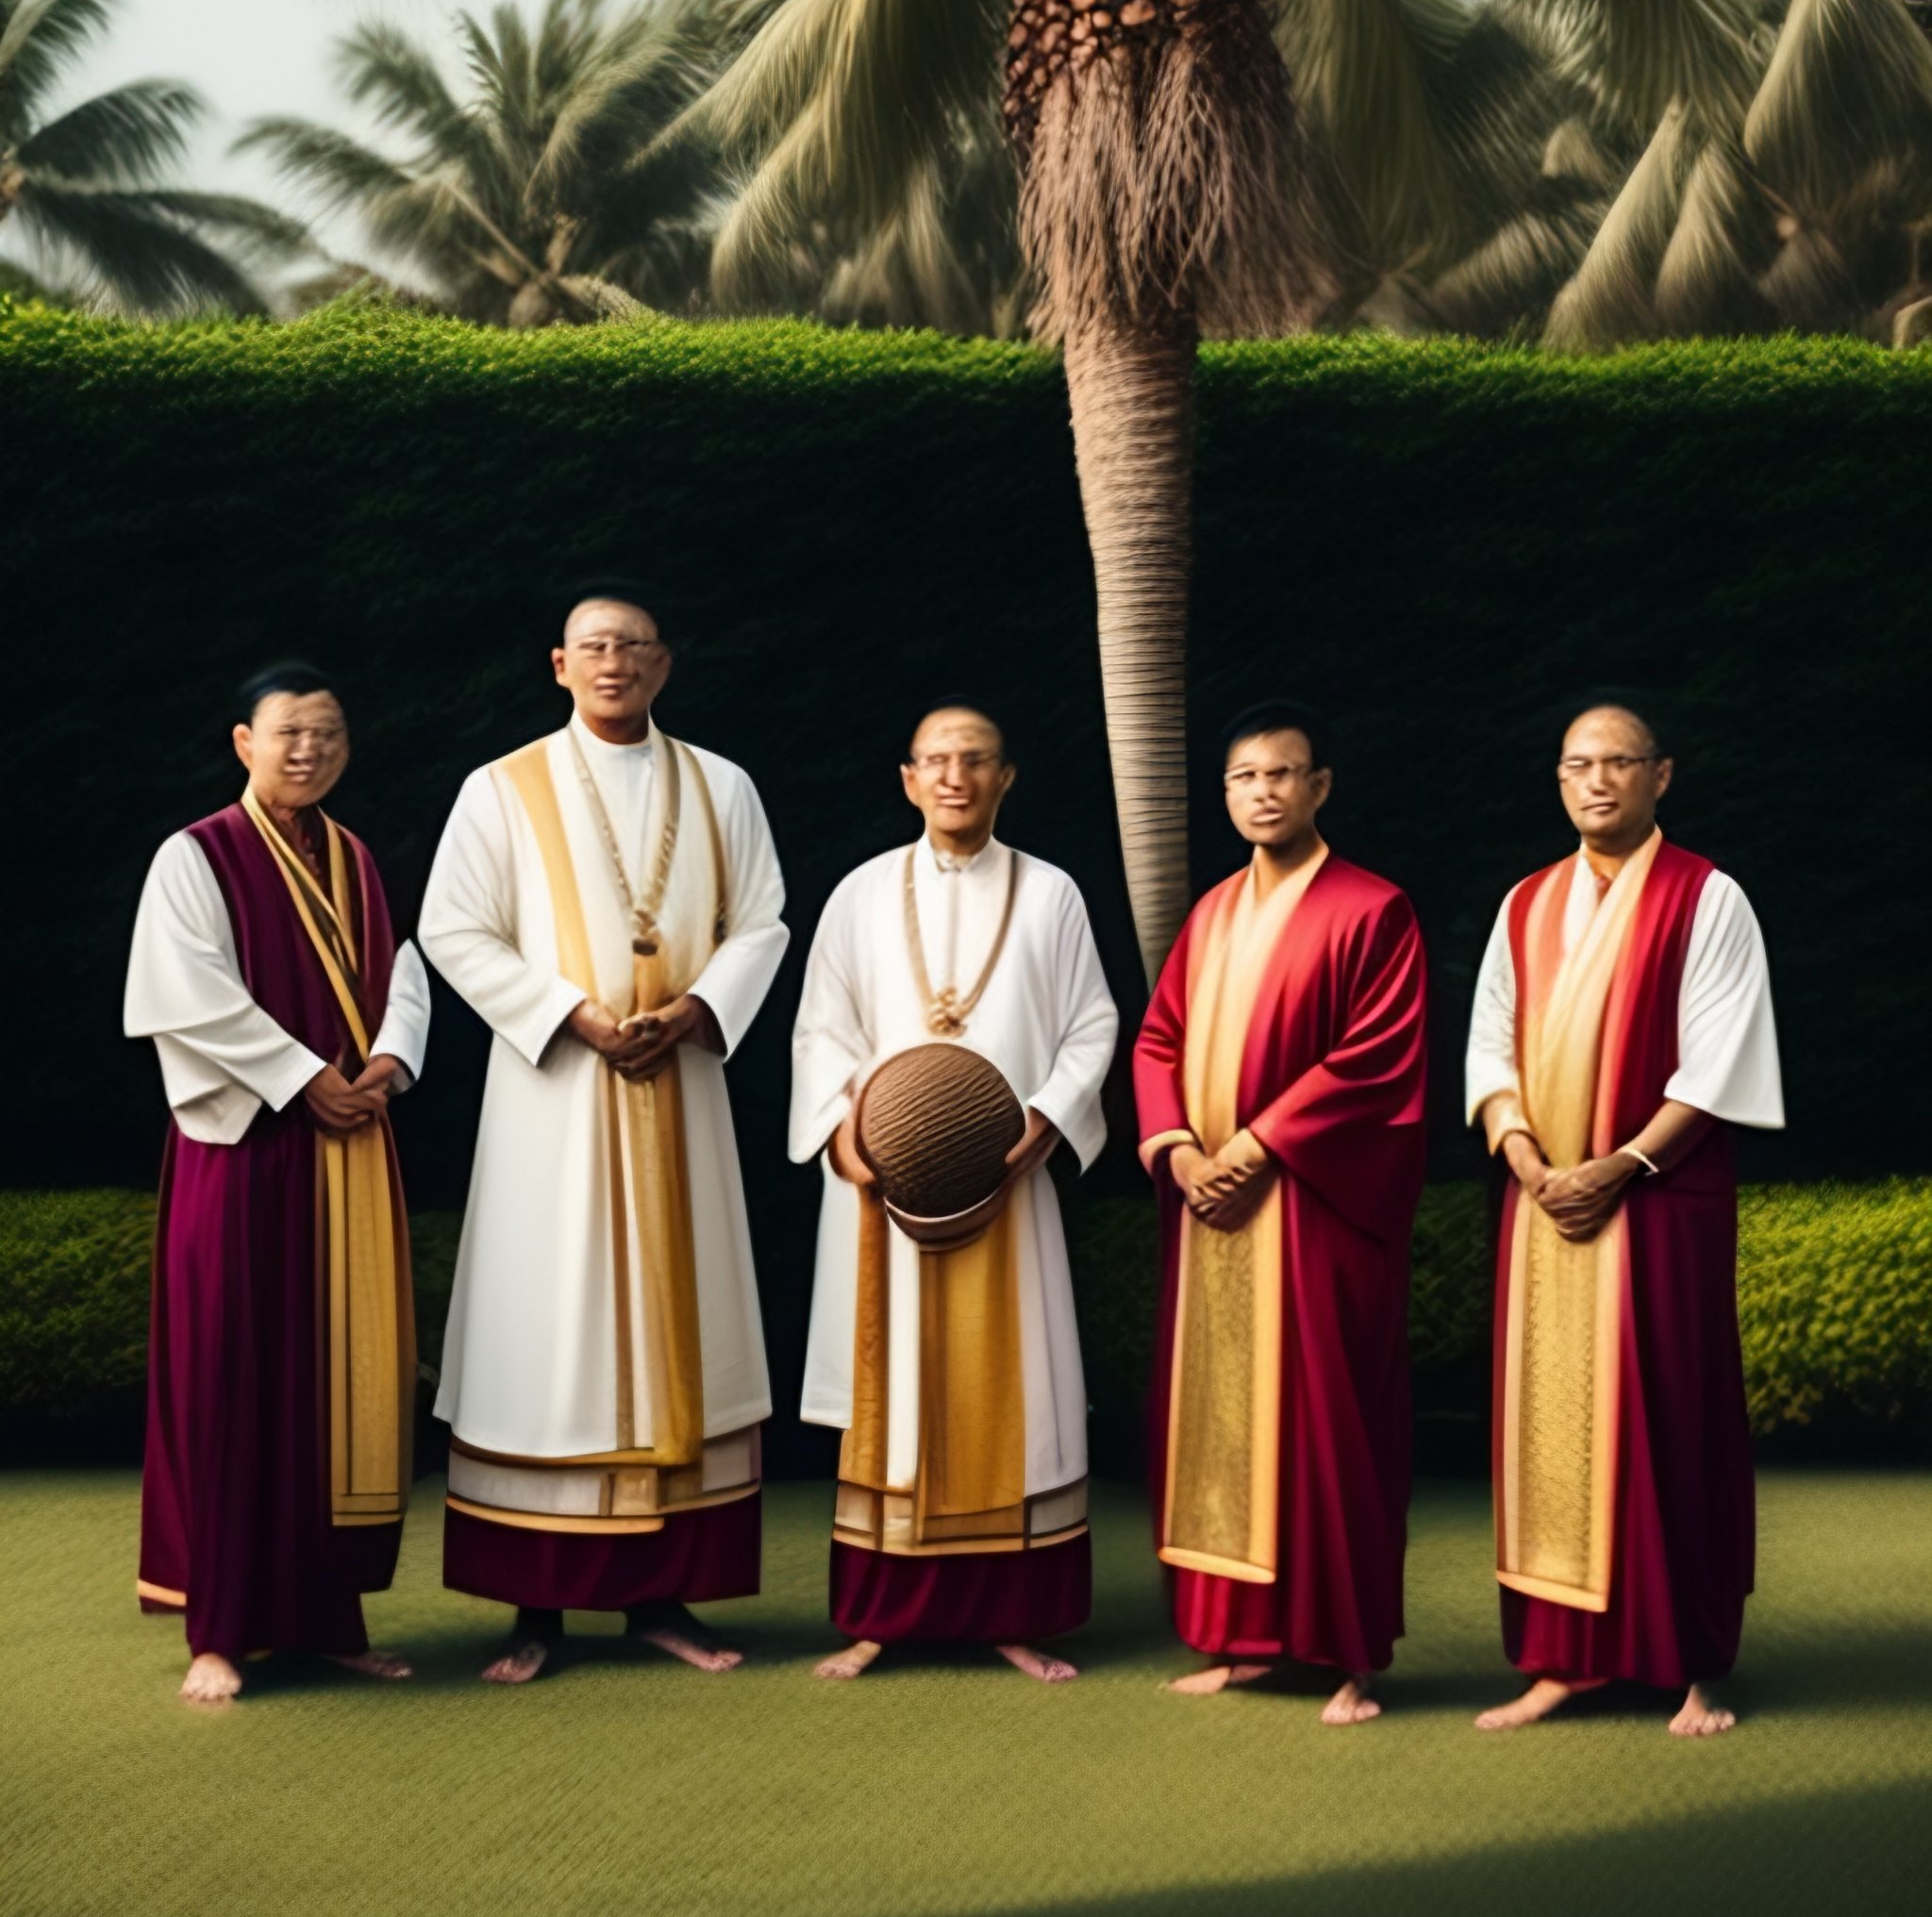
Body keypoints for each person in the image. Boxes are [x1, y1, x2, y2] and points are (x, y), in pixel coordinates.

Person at [422, 583, 787, 1684]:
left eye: (632, 646)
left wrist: (695, 1011)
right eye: (593, 647)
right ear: (558, 665)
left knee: (678, 1323)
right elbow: (451, 924)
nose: (613, 662)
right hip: (554, 1101)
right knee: (553, 1330)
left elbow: (762, 918)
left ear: (663, 664)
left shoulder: (720, 783)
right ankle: (534, 1610)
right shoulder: (501, 788)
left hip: (679, 1084)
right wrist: (565, 1014)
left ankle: (659, 1601)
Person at [1468, 702, 1782, 1739]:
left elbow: (1721, 1058)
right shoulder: (1522, 904)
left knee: (1670, 1418)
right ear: (1556, 781)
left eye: (1617, 762)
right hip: (1541, 1207)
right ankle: (1565, 1658)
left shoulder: (1706, 896)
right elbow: (1489, 1052)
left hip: (1656, 1204)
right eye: (1575, 764)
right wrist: (1524, 1160)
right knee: (1546, 1429)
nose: (1595, 780)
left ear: (1660, 776)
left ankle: (1694, 1668)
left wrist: (1619, 1166)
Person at [791, 707, 1118, 1683]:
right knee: (893, 1398)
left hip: (1006, 1187)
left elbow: (1091, 1028)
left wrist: (1039, 1127)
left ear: (1004, 777)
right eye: (935, 761)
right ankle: (879, 1616)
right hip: (883, 1196)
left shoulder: (1051, 893)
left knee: (1003, 1394)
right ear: (906, 779)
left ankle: (1007, 1614)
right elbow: (820, 1033)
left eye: (973, 760)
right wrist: (845, 1136)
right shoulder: (857, 895)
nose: (954, 776)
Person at [126, 663, 428, 1709]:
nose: (311, 750)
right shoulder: (195, 855)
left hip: (349, 1145)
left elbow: (402, 971)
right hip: (245, 1153)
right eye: (290, 732)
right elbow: (184, 991)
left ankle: (323, 1617)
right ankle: (217, 1628)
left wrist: (386, 1065)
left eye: (329, 734)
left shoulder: (352, 857)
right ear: (243, 741)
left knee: (336, 1384)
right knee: (234, 1375)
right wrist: (306, 1081)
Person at [1134, 702, 1427, 1721]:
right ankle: (1239, 1637)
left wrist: (1255, 1146)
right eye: (1242, 777)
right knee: (1214, 1422)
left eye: (1280, 774)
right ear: (1224, 795)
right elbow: (1157, 1039)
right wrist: (1175, 1148)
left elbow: (1375, 1061)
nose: (1261, 792)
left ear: (1319, 787)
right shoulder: (1209, 914)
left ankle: (1348, 1655)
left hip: (1310, 1212)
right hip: (1208, 1211)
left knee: (1327, 1422)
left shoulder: (1370, 909)